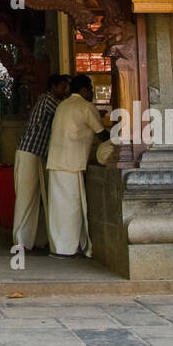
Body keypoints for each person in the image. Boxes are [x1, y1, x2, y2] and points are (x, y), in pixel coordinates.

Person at [45, 73, 107, 258]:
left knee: (58, 209)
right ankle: (67, 249)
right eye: (91, 90)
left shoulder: (63, 105)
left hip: (56, 161)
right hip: (71, 164)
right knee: (70, 208)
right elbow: (102, 134)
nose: (92, 94)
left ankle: (58, 247)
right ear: (84, 89)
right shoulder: (85, 107)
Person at [12, 74, 70, 251]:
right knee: (26, 197)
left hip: (37, 153)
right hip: (29, 151)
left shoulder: (50, 100)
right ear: (53, 87)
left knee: (37, 198)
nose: (65, 91)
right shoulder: (47, 100)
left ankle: (34, 239)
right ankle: (21, 242)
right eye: (63, 87)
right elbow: (66, 112)